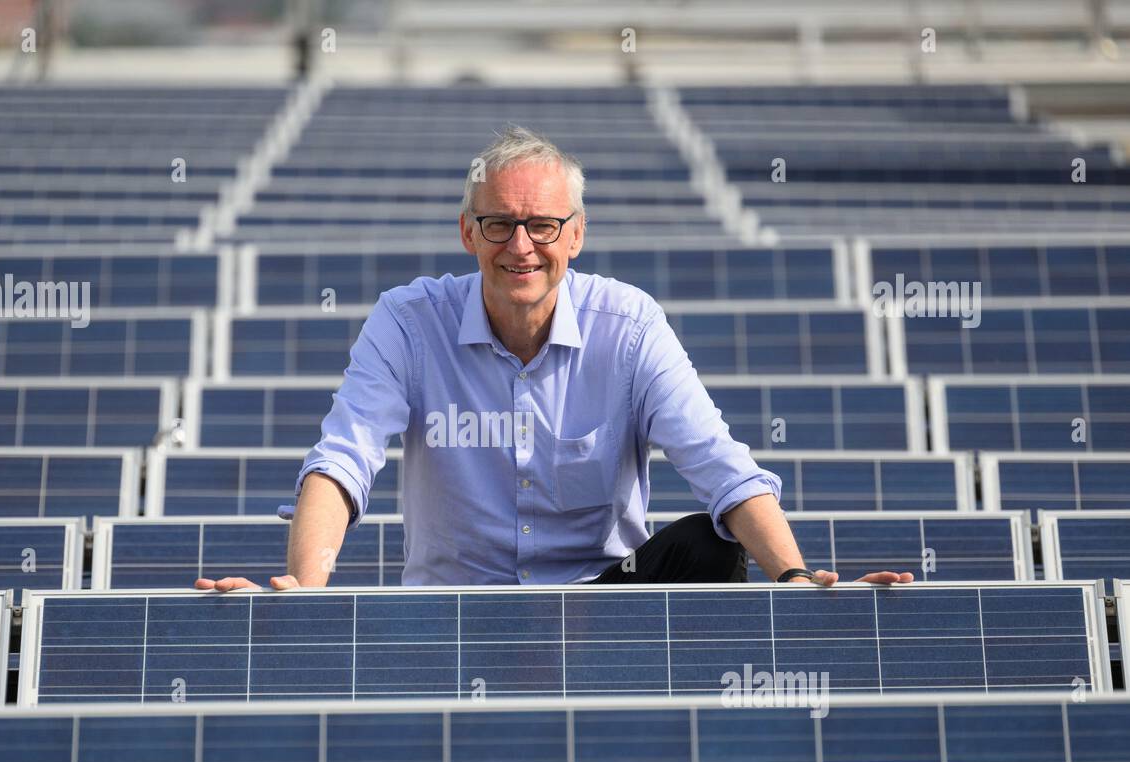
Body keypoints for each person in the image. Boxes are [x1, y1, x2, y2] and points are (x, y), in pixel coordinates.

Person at [196, 127, 913, 592]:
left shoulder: (628, 327)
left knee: (711, 545)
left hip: (601, 604)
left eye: (542, 225)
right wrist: (304, 589)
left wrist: (794, 579)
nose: (521, 247)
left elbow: (720, 465)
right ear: (468, 233)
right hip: (457, 612)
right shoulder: (408, 322)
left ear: (575, 236)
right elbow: (343, 459)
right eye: (499, 224)